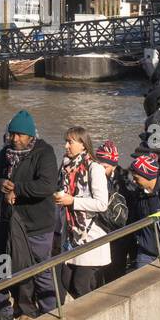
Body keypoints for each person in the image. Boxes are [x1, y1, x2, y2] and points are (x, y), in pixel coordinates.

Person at [0, 110, 60, 320]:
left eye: (20, 135)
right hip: (7, 222)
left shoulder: (45, 153)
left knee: (38, 270)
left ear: (31, 136)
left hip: (36, 225)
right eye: (12, 134)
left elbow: (47, 185)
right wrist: (0, 185)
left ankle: (47, 312)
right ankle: (4, 311)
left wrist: (18, 189)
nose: (15, 139)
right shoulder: (5, 153)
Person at [54, 126, 110, 299]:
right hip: (72, 235)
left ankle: (96, 318)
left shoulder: (95, 169)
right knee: (66, 280)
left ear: (83, 145)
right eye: (66, 142)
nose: (66, 146)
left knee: (80, 285)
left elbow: (102, 204)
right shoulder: (65, 169)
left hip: (90, 235)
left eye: (70, 142)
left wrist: (73, 201)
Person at [94, 140, 134, 280]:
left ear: (114, 165)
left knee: (115, 270)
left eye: (104, 166)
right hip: (102, 229)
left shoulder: (124, 181)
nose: (100, 170)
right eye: (98, 165)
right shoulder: (95, 175)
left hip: (120, 232)